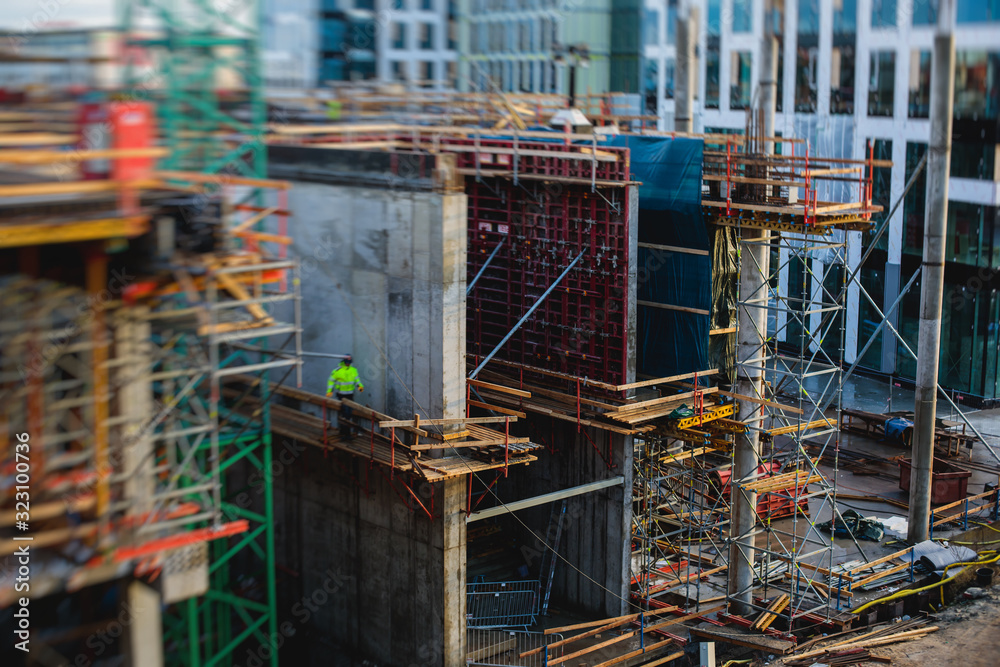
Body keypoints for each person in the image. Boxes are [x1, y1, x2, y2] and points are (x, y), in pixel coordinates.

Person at [327, 354, 364, 438]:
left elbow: (357, 380)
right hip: (342, 396)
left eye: (349, 362)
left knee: (348, 414)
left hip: (350, 395)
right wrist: (329, 391)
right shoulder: (337, 371)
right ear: (344, 361)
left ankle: (345, 432)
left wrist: (360, 386)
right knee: (345, 414)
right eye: (346, 362)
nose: (348, 364)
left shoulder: (353, 370)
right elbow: (331, 381)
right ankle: (345, 433)